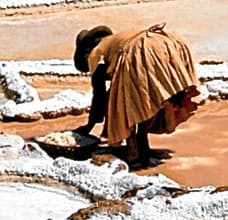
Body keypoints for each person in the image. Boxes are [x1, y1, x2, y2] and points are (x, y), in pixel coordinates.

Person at [74, 23, 201, 168]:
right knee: (138, 100)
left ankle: (135, 157)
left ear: (87, 50)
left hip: (142, 52)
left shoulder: (96, 54)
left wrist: (88, 127)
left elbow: (99, 97)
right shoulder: (116, 41)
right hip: (166, 44)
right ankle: (143, 149)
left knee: (124, 105)